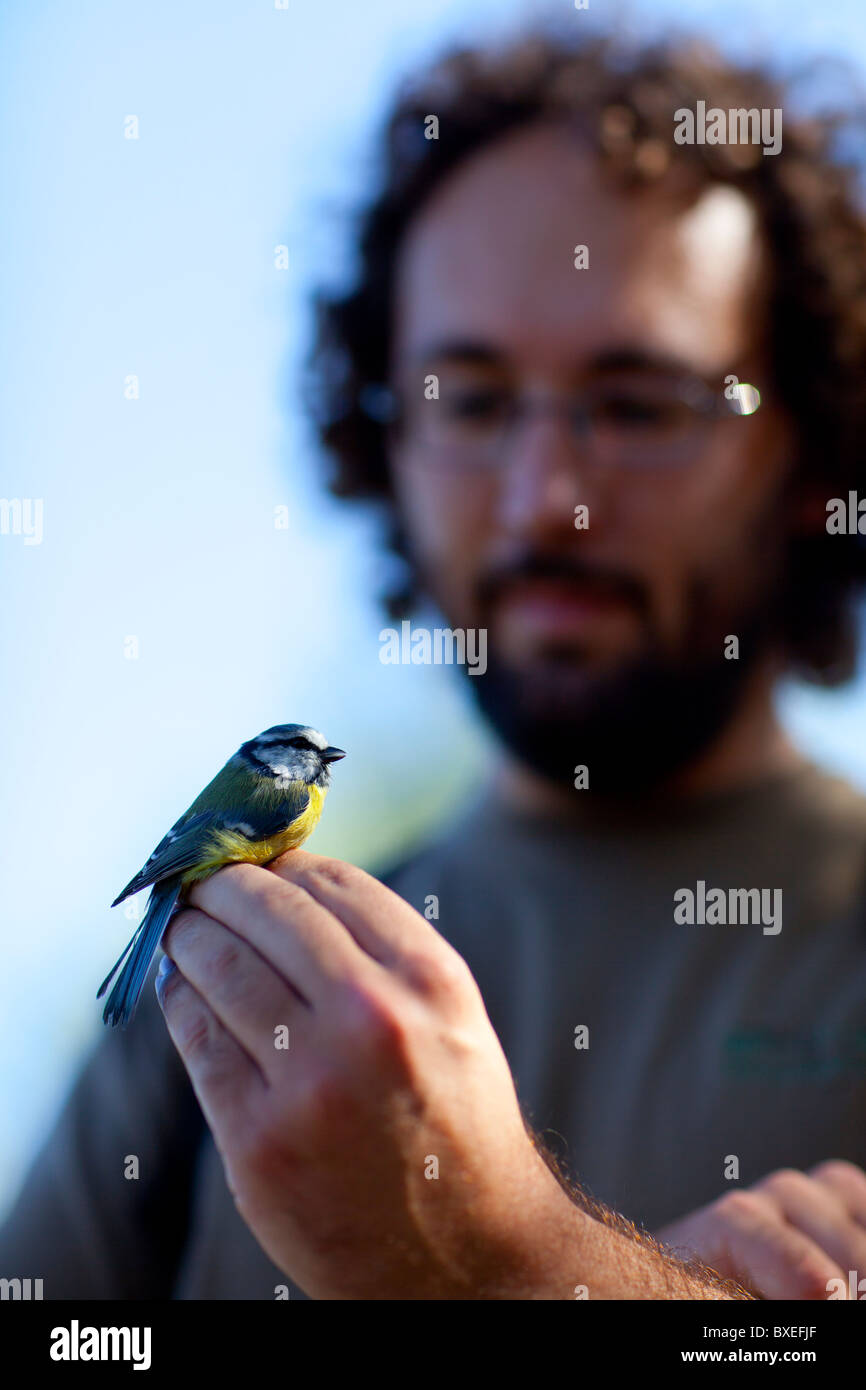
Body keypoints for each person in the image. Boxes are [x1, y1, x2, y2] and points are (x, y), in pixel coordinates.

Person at [3, 28, 866, 1300]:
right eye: (469, 400)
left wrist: (504, 1262)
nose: (543, 497)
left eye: (639, 404)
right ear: (384, 441)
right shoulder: (223, 987)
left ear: (811, 457)